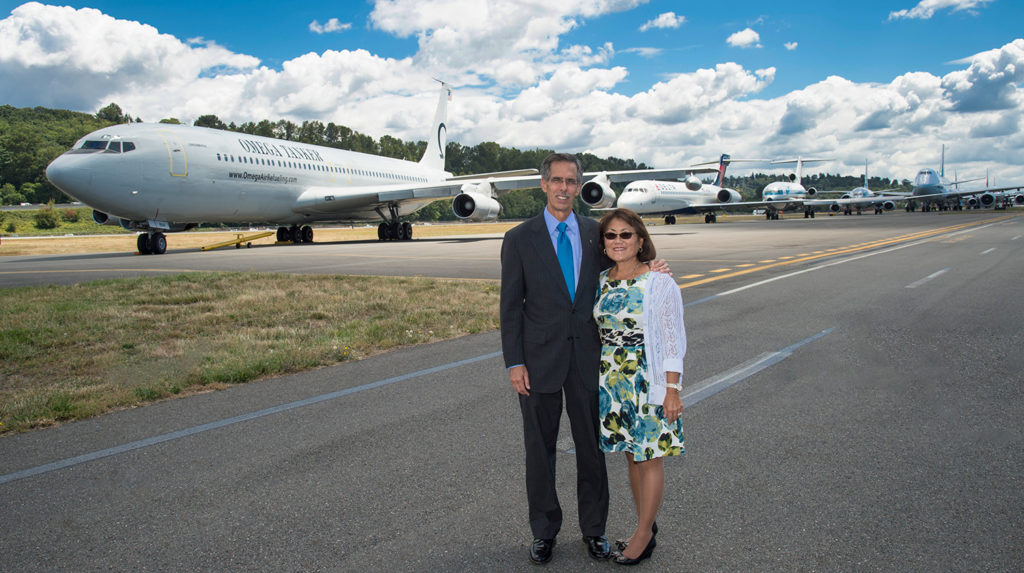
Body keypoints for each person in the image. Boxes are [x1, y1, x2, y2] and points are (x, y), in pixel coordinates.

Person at [500, 153, 613, 565]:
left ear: (578, 186)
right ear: (544, 185)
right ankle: (544, 531)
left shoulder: (594, 232)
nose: (565, 188)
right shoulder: (519, 238)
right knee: (539, 450)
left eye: (572, 181)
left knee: (592, 449)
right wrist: (515, 362)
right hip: (537, 362)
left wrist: (653, 269)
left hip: (587, 359)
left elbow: (621, 270)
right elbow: (510, 307)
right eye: (558, 181)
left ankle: (595, 529)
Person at [593, 207, 686, 566]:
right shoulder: (602, 280)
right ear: (603, 243)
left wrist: (672, 388)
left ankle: (644, 535)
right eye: (611, 235)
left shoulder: (658, 280)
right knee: (633, 454)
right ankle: (642, 526)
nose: (618, 241)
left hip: (647, 378)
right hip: (613, 378)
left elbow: (672, 336)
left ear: (641, 240)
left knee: (650, 456)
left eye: (626, 235)